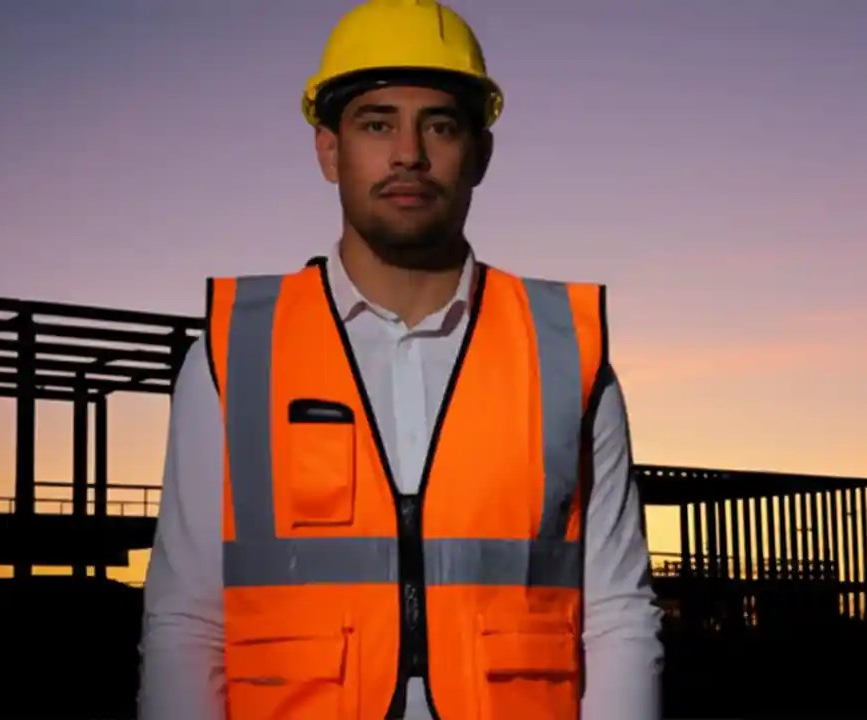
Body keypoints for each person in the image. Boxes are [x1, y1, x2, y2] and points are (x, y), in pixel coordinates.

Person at [137, 1, 664, 718]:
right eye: (377, 123)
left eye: (440, 125)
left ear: (480, 153)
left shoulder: (566, 350)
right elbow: (187, 623)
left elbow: (618, 616)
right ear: (329, 150)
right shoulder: (234, 355)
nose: (409, 153)